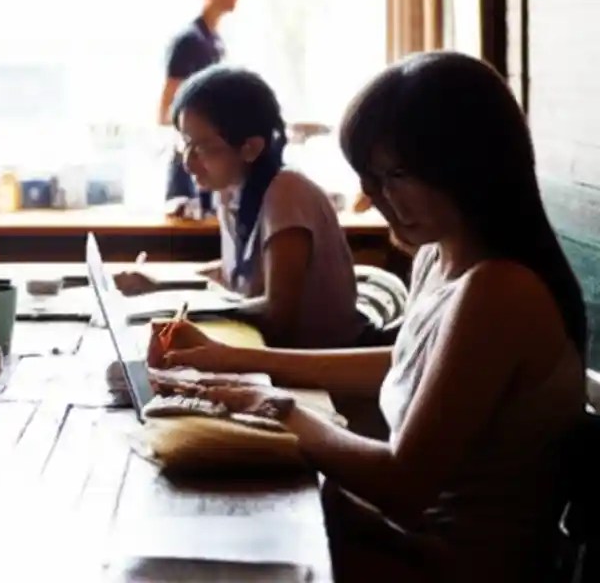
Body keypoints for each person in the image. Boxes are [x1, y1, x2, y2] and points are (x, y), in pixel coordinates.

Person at [151, 52, 586, 581]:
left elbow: (403, 486)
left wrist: (276, 407)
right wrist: (234, 360)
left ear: (471, 163)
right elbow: (404, 361)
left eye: (397, 174)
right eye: (371, 177)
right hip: (408, 543)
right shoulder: (439, 255)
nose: (378, 198)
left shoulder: (499, 290)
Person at [119, 64, 365, 350]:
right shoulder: (231, 193)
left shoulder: (286, 193)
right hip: (274, 357)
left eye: (202, 148)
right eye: (185, 144)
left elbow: (278, 315)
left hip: (321, 370)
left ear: (250, 148)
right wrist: (159, 286)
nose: (187, 162)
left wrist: (188, 304)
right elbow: (233, 276)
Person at [161, 0, 245, 208]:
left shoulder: (216, 43)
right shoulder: (189, 42)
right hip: (192, 171)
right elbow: (166, 113)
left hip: (212, 168)